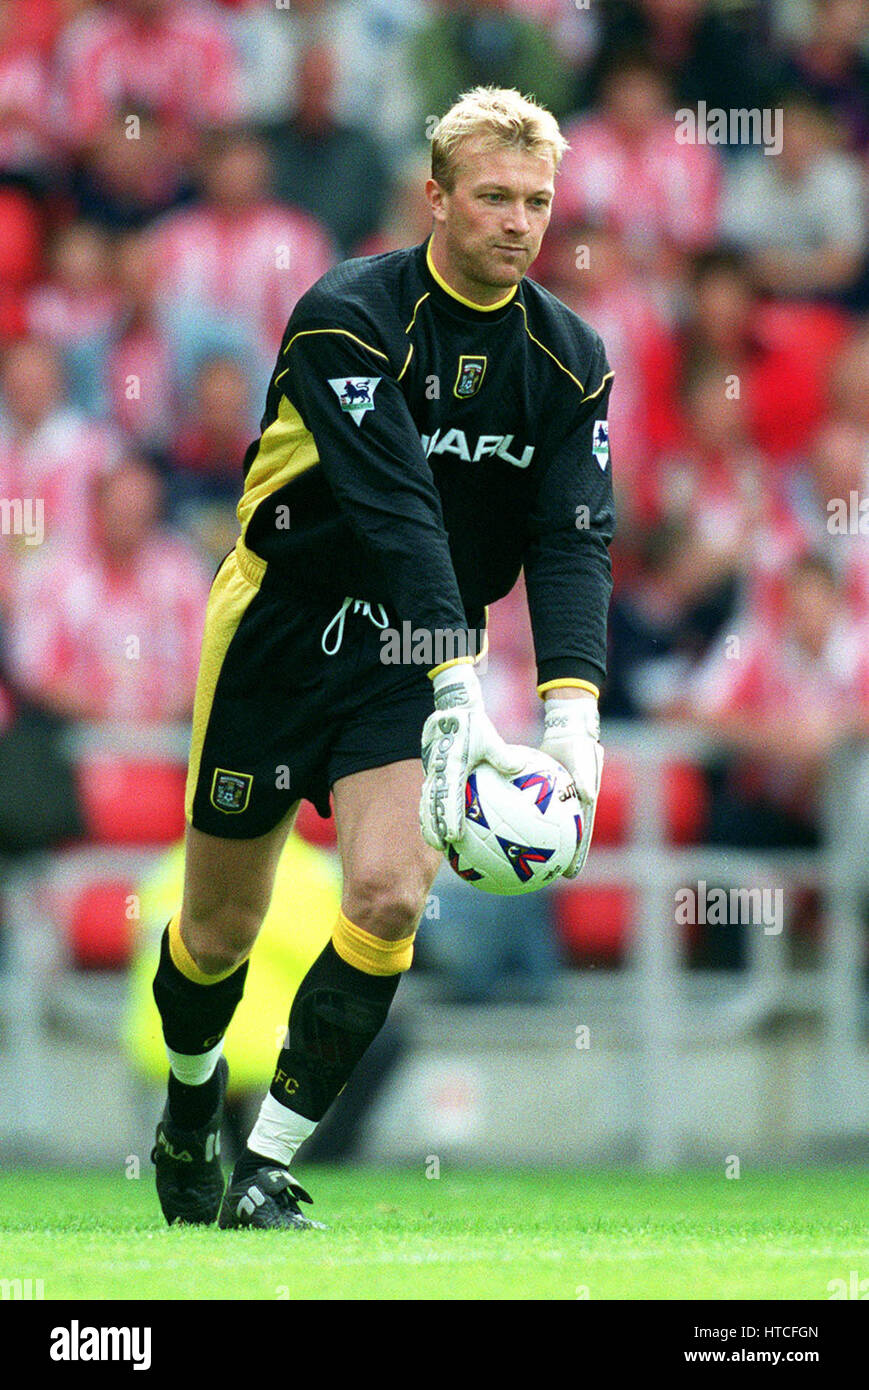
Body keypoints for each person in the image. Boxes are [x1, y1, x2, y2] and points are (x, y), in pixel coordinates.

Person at [150, 86, 614, 1231]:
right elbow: (396, 508)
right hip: (279, 627)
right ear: (435, 198)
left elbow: (570, 540)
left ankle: (265, 1164)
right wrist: (464, 681)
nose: (517, 222)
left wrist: (572, 717)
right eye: (493, 196)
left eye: (536, 202)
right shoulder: (346, 315)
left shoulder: (568, 360)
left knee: (392, 892)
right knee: (217, 931)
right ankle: (190, 1104)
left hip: (407, 654)